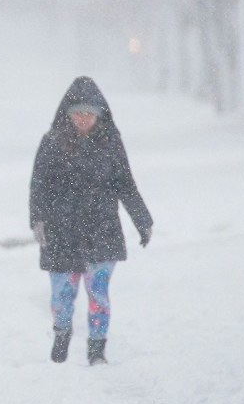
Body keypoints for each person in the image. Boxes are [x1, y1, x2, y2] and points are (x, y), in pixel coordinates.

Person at [28, 76, 152, 365]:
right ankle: (62, 330)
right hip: (61, 232)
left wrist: (142, 220)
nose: (83, 120)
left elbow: (125, 184)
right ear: (67, 115)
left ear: (99, 115)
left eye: (89, 114)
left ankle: (97, 349)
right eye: (77, 114)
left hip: (101, 230)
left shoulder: (111, 144)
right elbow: (39, 186)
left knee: (99, 294)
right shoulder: (51, 143)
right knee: (62, 295)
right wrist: (37, 220)